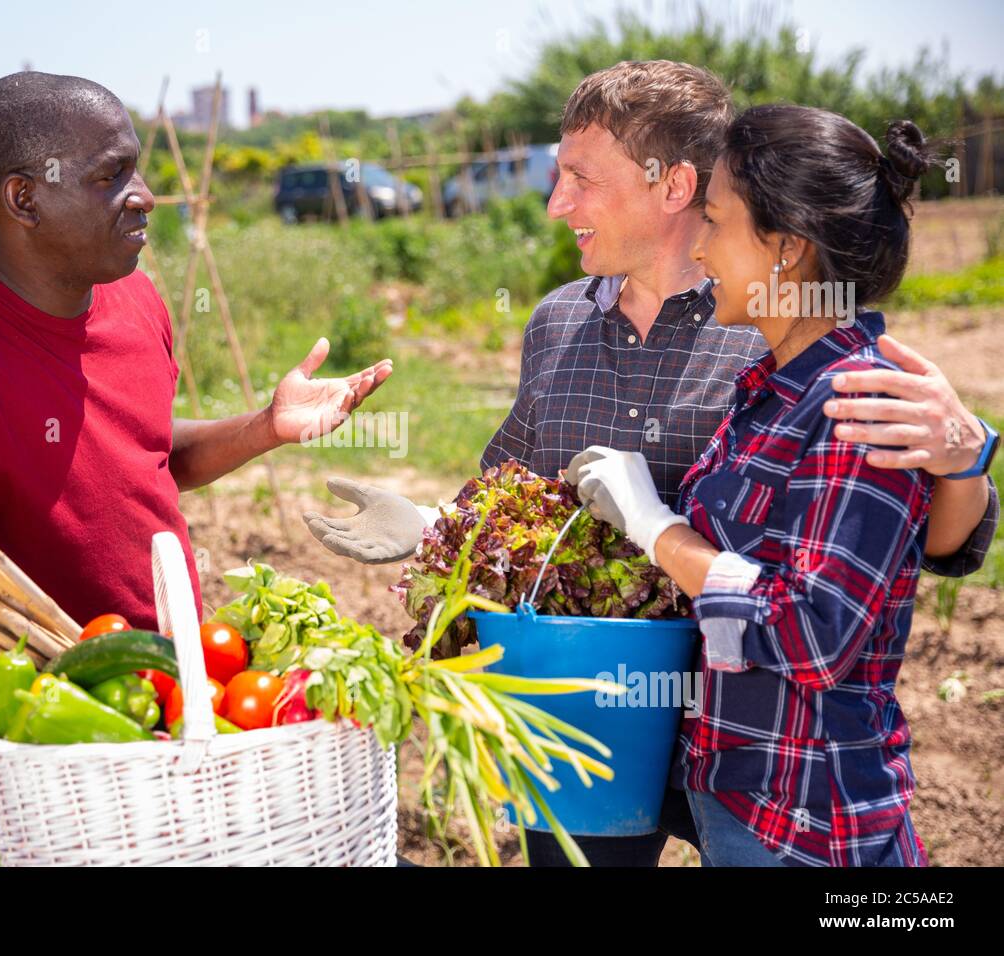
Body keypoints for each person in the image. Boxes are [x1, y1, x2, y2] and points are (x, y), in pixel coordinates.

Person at [304, 61, 999, 866]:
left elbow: (917, 548)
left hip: (760, 757)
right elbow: (524, 501)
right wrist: (437, 528)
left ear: (673, 187)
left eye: (580, 178)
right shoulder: (564, 324)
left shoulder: (775, 341)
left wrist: (968, 458)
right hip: (596, 728)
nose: (556, 202)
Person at [0, 72, 392, 799]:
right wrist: (5, 803)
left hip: (182, 697)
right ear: (25, 198)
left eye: (136, 168)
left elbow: (147, 452)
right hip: (58, 733)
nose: (143, 194)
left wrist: (266, 427)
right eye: (112, 176)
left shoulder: (133, 297)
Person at [569, 106, 993, 866]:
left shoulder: (854, 405)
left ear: (788, 248)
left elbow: (812, 632)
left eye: (718, 223)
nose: (699, 247)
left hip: (811, 825)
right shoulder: (772, 390)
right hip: (746, 802)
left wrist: (656, 526)